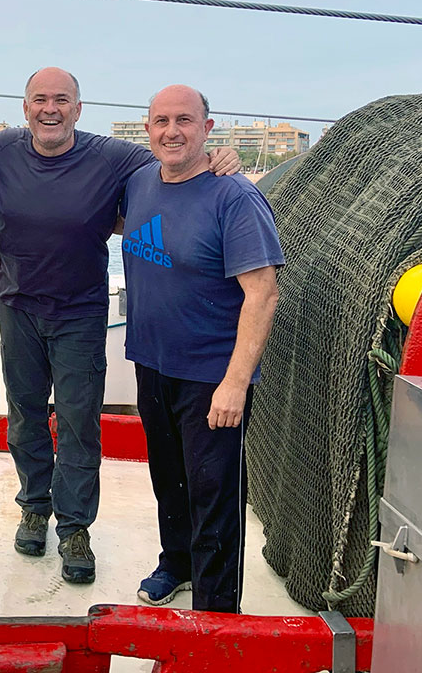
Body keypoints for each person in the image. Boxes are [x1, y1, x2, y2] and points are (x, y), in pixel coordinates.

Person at [0, 68, 240, 585]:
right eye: (39, 100)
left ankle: (75, 527)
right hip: (16, 305)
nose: (49, 109)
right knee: (25, 418)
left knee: (79, 425)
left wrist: (221, 157)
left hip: (79, 313)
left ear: (79, 109)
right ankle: (35, 507)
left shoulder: (112, 155)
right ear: (25, 107)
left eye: (62, 100)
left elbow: (175, 163)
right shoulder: (1, 148)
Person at [121, 84, 282, 612]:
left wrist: (235, 383)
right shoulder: (140, 181)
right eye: (161, 120)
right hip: (151, 362)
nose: (172, 131)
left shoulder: (233, 196)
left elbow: (262, 293)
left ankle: (216, 610)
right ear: (147, 129)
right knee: (168, 478)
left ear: (208, 129)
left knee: (215, 495)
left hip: (211, 376)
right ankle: (177, 563)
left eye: (185, 120)